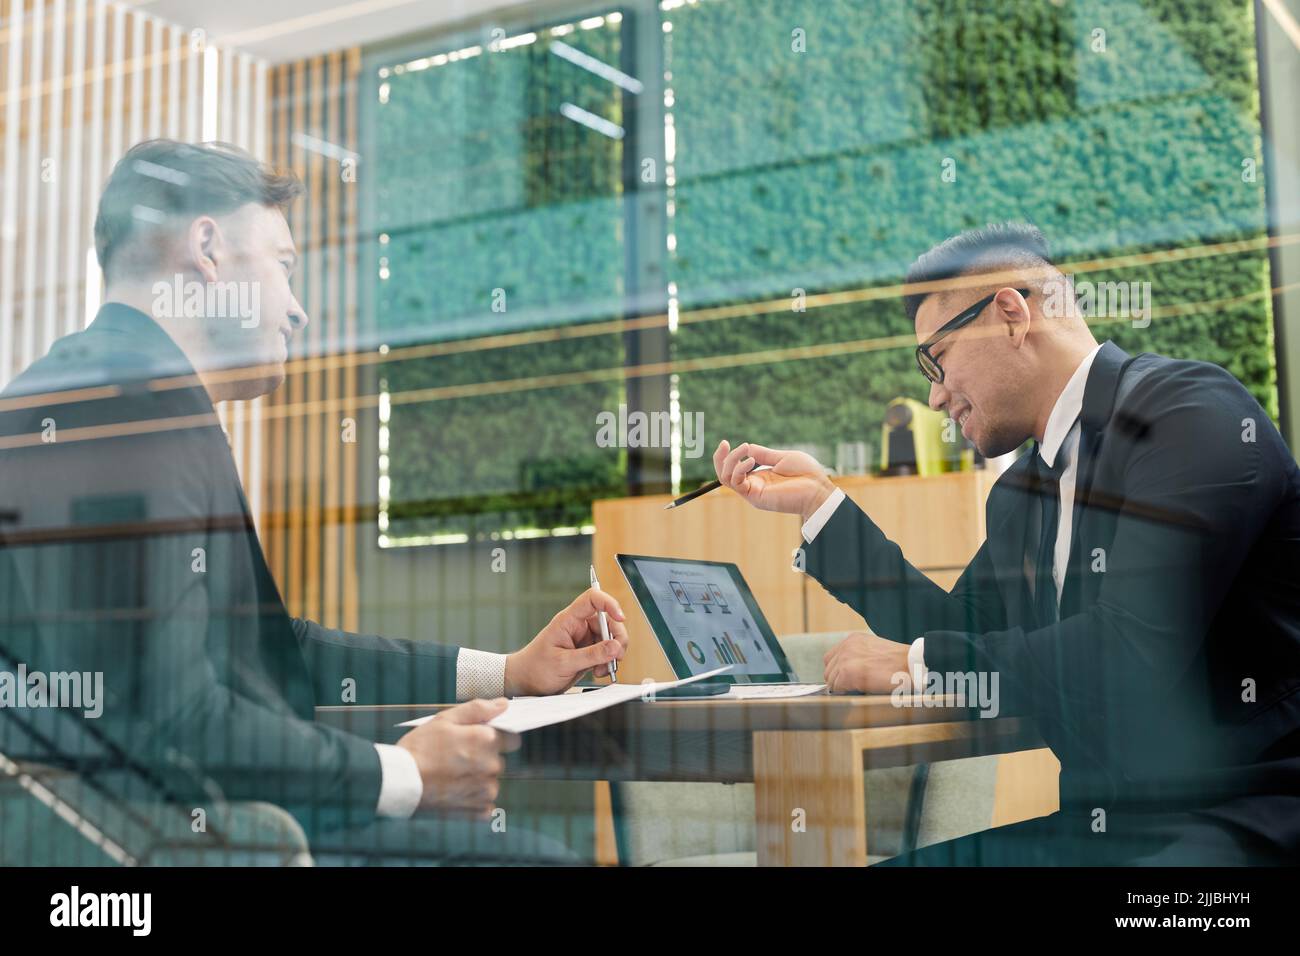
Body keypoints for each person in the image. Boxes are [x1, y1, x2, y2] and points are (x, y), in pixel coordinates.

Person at [0, 140, 627, 865]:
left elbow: (266, 656)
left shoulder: (107, 390)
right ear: (208, 248)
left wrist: (509, 672)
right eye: (284, 266)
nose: (296, 311)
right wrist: (407, 774)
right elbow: (171, 721)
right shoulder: (128, 408)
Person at [712, 222, 1300, 865]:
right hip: (1098, 829)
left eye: (936, 360)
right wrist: (823, 507)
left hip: (1244, 817)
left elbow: (1127, 653)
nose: (934, 395)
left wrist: (918, 665)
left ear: (1011, 316)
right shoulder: (1021, 493)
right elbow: (960, 627)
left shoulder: (1193, 417)